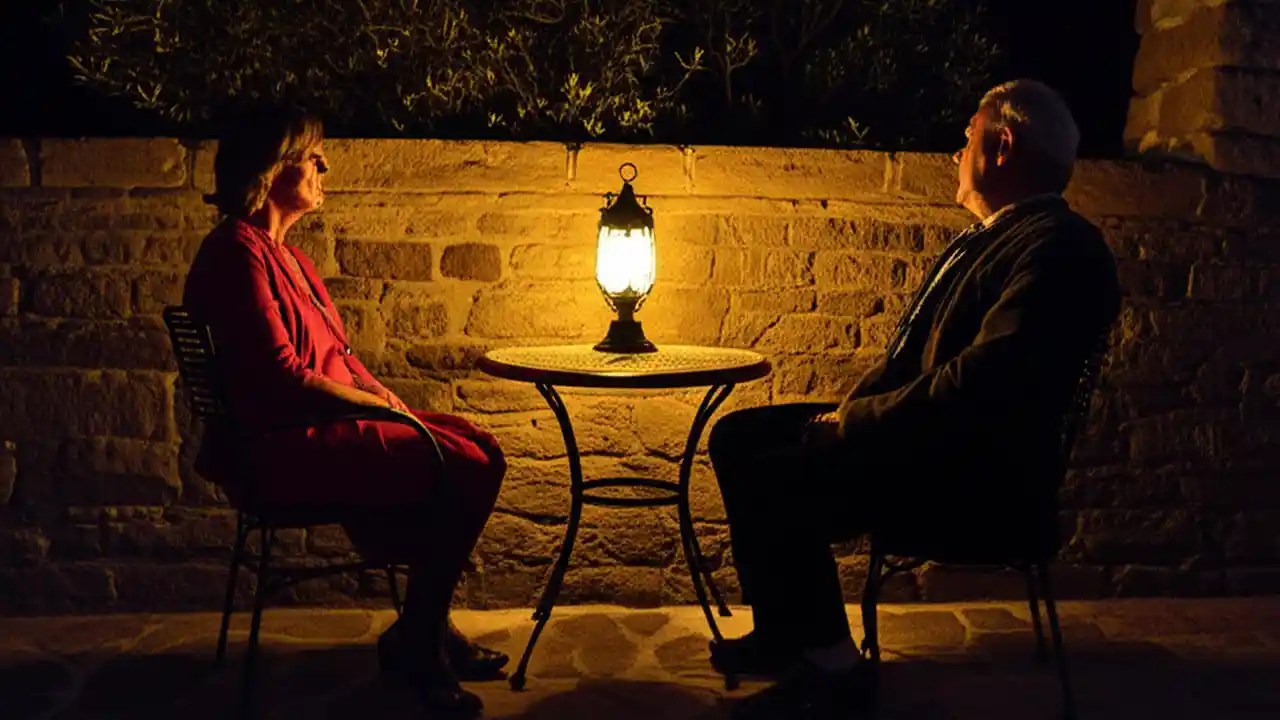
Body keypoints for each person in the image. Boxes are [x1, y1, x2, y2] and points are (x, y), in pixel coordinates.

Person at [707, 79, 1121, 719]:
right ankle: (787, 633)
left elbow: (983, 383)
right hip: (925, 441)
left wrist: (853, 426)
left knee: (781, 474)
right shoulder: (1003, 236)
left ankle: (835, 669)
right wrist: (849, 417)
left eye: (966, 137)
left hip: (970, 474)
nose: (956, 152)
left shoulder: (1060, 249)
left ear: (1002, 145)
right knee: (740, 436)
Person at [183, 106, 506, 717]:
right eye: (311, 157)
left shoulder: (292, 260)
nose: (325, 165)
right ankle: (422, 641)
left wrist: (395, 407)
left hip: (327, 425)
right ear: (273, 170)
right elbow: (285, 377)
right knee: (458, 464)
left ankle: (421, 626)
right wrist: (386, 415)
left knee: (480, 447)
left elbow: (342, 356)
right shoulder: (235, 253)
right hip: (282, 443)